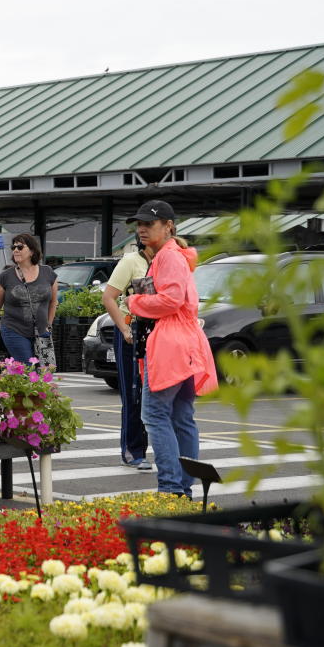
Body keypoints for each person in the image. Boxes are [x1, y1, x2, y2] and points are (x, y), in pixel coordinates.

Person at [126, 200, 218, 498]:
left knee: (155, 415)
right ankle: (184, 488)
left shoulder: (169, 257)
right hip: (186, 344)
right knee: (181, 416)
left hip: (169, 344)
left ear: (168, 226)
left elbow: (171, 300)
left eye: (148, 224)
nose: (141, 229)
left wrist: (133, 302)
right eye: (139, 224)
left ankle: (172, 488)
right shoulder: (174, 256)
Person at [102, 242, 155, 470]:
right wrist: (124, 329)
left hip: (159, 332)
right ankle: (133, 451)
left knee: (155, 395)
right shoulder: (131, 261)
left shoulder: (168, 262)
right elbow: (109, 297)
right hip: (132, 331)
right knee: (133, 393)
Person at [0, 234, 58, 366]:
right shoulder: (5, 277)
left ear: (32, 251)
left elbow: (53, 302)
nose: (15, 250)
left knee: (45, 370)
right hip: (14, 330)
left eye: (20, 247)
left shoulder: (48, 273)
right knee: (27, 367)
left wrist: (49, 325)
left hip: (42, 331)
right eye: (13, 247)